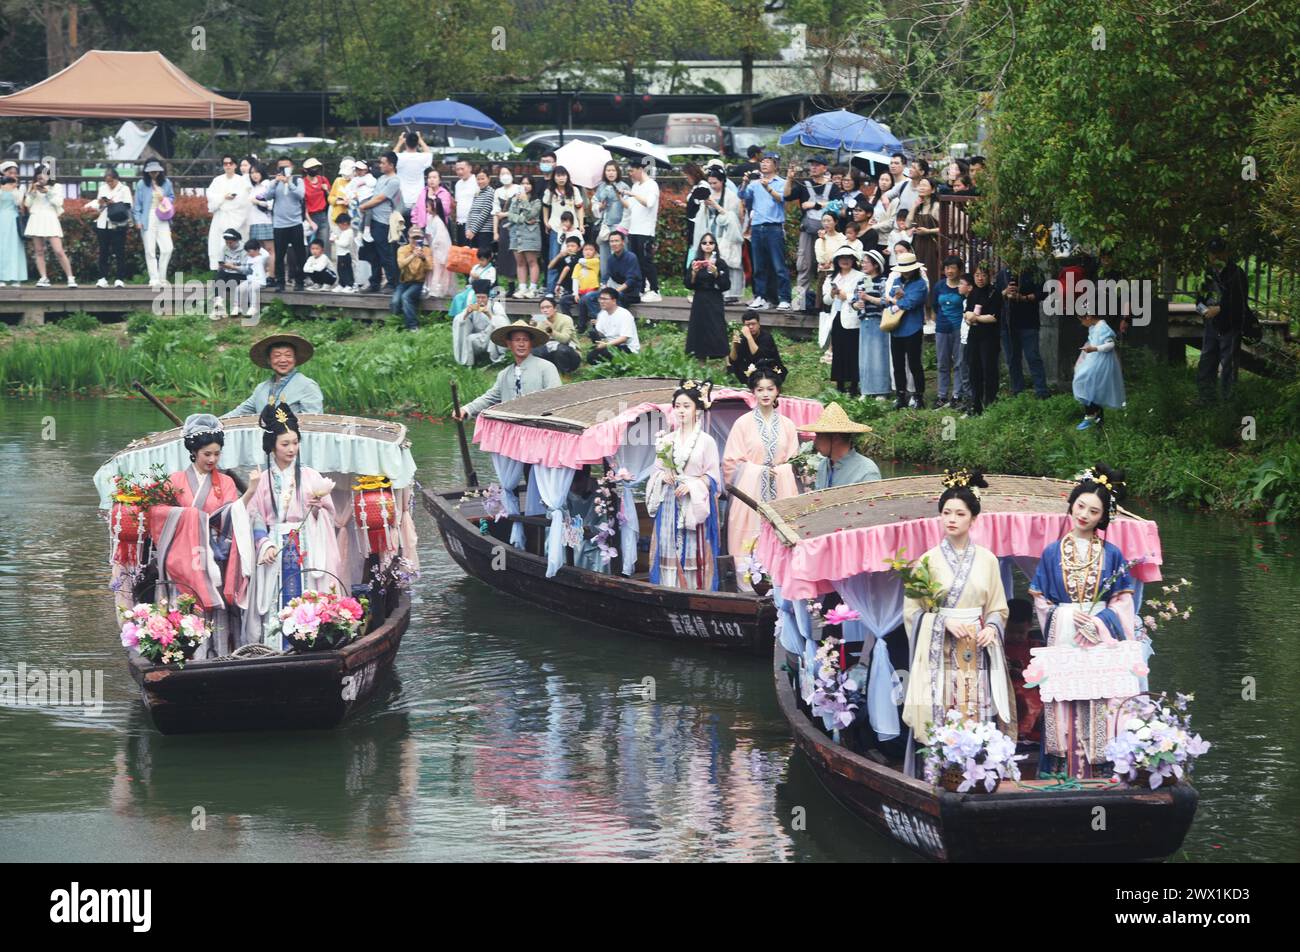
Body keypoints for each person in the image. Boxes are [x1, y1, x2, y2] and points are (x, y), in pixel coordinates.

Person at [900, 470, 1016, 766]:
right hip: (940, 650)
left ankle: (977, 770)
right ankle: (938, 770)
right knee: (940, 708)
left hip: (975, 647)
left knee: (973, 709)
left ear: (973, 519)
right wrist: (939, 622)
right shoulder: (926, 561)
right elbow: (913, 612)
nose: (951, 519)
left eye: (959, 513)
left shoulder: (988, 560)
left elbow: (998, 607)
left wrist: (992, 626)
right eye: (946, 512)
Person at [1029, 465, 1137, 779]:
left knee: (1100, 697)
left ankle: (1101, 769)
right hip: (1064, 635)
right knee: (1064, 697)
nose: (1084, 515)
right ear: (1071, 504)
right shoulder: (1052, 553)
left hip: (1100, 637)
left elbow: (1123, 601)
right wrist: (1062, 615)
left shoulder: (1113, 554)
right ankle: (1062, 770)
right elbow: (1041, 600)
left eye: (1094, 511)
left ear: (1102, 516)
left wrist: (1101, 621)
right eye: (1080, 506)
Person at [149, 414, 260, 657]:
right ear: (194, 452)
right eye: (206, 454)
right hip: (185, 557)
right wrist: (190, 517)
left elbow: (234, 514)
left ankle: (220, 654)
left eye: (216, 454)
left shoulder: (227, 482)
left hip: (216, 554)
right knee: (189, 604)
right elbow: (157, 513)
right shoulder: (174, 481)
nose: (212, 459)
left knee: (216, 606)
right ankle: (185, 654)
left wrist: (250, 492)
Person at [243, 403, 345, 648]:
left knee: (309, 590)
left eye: (295, 443)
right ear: (272, 446)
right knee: (275, 595)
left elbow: (332, 517)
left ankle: (313, 641)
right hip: (275, 544)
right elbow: (255, 517)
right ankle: (275, 646)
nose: (291, 449)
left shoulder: (311, 475)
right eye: (285, 444)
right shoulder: (263, 479)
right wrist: (264, 544)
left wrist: (318, 510)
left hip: (307, 542)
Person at [722, 362, 798, 581]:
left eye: (770, 389)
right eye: (760, 389)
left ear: (778, 391)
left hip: (782, 492)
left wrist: (782, 470)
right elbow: (730, 462)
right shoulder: (742, 423)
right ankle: (749, 583)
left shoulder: (788, 425)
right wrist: (756, 471)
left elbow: (794, 459)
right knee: (749, 537)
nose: (765, 394)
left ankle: (782, 582)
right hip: (749, 495)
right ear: (753, 392)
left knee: (782, 534)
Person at [645, 379, 723, 591]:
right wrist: (663, 476)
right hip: (670, 500)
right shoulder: (666, 439)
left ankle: (694, 590)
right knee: (668, 546)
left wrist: (694, 486)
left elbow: (714, 477)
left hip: (693, 501)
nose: (681, 411)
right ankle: (668, 588)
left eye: (686, 406)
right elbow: (657, 470)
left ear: (697, 410)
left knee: (693, 547)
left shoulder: (707, 441)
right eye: (677, 406)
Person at [454, 319, 562, 419]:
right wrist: (466, 409)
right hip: (511, 427)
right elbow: (489, 398)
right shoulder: (504, 374)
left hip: (539, 427)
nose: (521, 344)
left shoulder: (546, 367)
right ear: (509, 344)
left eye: (525, 340)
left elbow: (557, 398)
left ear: (531, 343)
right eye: (517, 340)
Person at [1195, 236, 1247, 403]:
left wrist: (1220, 309)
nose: (1216, 257)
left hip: (1230, 326)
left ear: (1226, 253)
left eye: (1219, 253)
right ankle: (1205, 399)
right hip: (1211, 325)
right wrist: (1204, 312)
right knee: (1206, 362)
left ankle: (1228, 403)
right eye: (1213, 254)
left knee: (1228, 367)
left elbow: (1240, 302)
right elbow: (1198, 300)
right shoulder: (1207, 274)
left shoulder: (1236, 273)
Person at [787, 154, 841, 313]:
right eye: (811, 165)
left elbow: (839, 205)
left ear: (825, 168)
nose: (813, 167)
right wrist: (790, 179)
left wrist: (814, 204)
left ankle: (826, 304)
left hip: (828, 234)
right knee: (803, 266)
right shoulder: (804, 184)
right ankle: (797, 304)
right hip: (807, 231)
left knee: (828, 267)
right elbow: (787, 196)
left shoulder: (833, 187)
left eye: (817, 165)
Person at [223, 333, 324, 417]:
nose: (283, 360)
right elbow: (239, 413)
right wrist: (212, 423)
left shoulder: (307, 386)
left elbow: (314, 423)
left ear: (295, 359)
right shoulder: (261, 388)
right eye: (277, 356)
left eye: (288, 355)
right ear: (269, 360)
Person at [739, 152, 791, 310]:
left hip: (774, 227)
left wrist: (767, 187)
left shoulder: (781, 182)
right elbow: (742, 196)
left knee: (778, 266)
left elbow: (781, 199)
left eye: (768, 161)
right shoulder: (754, 184)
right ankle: (760, 296)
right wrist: (745, 183)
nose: (764, 164)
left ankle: (784, 298)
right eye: (762, 161)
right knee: (758, 265)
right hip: (757, 227)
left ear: (776, 165)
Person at [995, 264, 1049, 399]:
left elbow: (1043, 293)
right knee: (1012, 359)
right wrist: (1005, 292)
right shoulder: (1002, 274)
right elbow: (994, 296)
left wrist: (1023, 297)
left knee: (1033, 357)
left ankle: (1041, 391)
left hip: (1028, 322)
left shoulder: (1033, 271)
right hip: (1007, 324)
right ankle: (1017, 391)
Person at [692, 168, 744, 303]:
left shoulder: (731, 196)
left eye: (715, 183)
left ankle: (731, 293)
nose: (713, 186)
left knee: (728, 262)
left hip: (727, 235)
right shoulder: (708, 194)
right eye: (710, 183)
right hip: (712, 233)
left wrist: (715, 205)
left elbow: (733, 217)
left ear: (722, 181)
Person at [801, 402, 880, 489]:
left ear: (836, 437)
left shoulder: (866, 471)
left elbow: (871, 502)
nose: (815, 442)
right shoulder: (823, 465)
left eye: (819, 436)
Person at [886, 252, 929, 409]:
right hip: (896, 328)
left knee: (914, 364)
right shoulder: (897, 281)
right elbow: (889, 299)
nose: (905, 272)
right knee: (897, 365)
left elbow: (913, 301)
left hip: (913, 328)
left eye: (908, 269)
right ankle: (901, 396)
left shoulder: (920, 284)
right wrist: (897, 299)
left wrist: (898, 301)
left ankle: (918, 396)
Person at [23, 164, 76, 287]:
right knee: (39, 251)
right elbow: (27, 204)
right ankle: (43, 277)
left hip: (50, 218)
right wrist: (32, 192)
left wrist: (47, 192)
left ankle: (70, 278)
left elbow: (59, 203)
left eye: (43, 177)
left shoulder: (57, 187)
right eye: (39, 177)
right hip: (36, 217)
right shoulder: (32, 186)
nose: (41, 180)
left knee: (58, 250)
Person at [823, 245, 866, 396]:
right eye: (842, 258)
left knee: (853, 351)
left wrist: (846, 296)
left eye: (848, 258)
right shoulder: (831, 277)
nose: (845, 261)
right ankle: (840, 383)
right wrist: (832, 293)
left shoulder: (860, 276)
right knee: (839, 350)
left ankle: (854, 384)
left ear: (853, 260)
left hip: (853, 317)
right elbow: (826, 301)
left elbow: (863, 295)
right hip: (836, 316)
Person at [358, 151, 403, 293]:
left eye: (383, 163)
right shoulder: (381, 178)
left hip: (383, 221)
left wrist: (364, 206)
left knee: (385, 253)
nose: (381, 165)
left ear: (391, 164)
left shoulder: (394, 181)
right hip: (372, 220)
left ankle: (392, 283)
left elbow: (380, 198)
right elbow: (374, 195)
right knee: (373, 253)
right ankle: (375, 282)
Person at [1072, 313, 1125, 429]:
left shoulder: (1102, 327)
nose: (1081, 323)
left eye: (1081, 320)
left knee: (1082, 382)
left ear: (1089, 317)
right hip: (1094, 360)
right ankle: (1098, 420)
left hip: (1102, 362)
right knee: (1093, 389)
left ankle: (1090, 414)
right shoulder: (1093, 327)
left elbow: (1110, 344)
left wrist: (1094, 349)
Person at [580, 228, 641, 329]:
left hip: (629, 292)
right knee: (588, 297)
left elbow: (631, 280)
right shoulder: (611, 259)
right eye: (611, 241)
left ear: (623, 242)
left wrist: (614, 292)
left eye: (616, 241)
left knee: (616, 296)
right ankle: (601, 321)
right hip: (614, 290)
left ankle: (614, 323)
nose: (614, 243)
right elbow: (606, 277)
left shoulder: (631, 257)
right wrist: (603, 286)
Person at [963, 263, 1002, 415]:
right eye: (977, 275)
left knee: (989, 370)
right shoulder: (973, 292)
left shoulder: (994, 292)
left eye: (983, 275)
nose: (980, 278)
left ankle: (990, 403)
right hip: (974, 336)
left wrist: (975, 317)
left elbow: (993, 317)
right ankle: (976, 404)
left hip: (989, 337)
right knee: (974, 370)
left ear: (989, 276)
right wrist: (969, 317)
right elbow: (966, 312)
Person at [684, 232, 731, 358]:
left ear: (715, 245)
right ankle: (700, 358)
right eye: (704, 243)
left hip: (715, 297)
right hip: (699, 297)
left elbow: (726, 285)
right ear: (700, 245)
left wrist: (716, 273)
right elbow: (688, 284)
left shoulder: (720, 263)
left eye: (711, 243)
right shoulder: (695, 262)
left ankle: (724, 357)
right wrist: (694, 273)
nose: (708, 245)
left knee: (717, 326)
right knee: (699, 327)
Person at [84, 166, 132, 288]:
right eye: (107, 181)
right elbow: (99, 206)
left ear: (116, 179)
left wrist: (114, 204)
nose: (109, 183)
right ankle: (102, 277)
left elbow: (128, 205)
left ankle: (120, 278)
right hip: (103, 223)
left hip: (118, 224)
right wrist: (101, 203)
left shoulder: (124, 189)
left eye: (111, 181)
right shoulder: (102, 188)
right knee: (103, 251)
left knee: (119, 251)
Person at [928, 255, 966, 408]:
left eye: (952, 268)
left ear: (959, 270)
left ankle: (957, 394)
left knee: (959, 362)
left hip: (959, 328)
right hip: (942, 328)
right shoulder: (939, 286)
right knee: (943, 363)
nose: (949, 271)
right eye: (946, 268)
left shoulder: (963, 287)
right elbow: (935, 307)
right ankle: (942, 396)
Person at [622, 157, 661, 301]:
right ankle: (641, 288)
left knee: (646, 261)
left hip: (646, 231)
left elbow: (649, 203)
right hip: (633, 230)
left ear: (640, 169)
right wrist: (620, 196)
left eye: (632, 171)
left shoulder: (652, 185)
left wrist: (633, 194)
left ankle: (655, 290)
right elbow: (630, 206)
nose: (630, 174)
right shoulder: (636, 186)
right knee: (635, 262)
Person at [411, 166, 454, 297]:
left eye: (434, 177)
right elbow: (416, 209)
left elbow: (446, 211)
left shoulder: (443, 193)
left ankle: (440, 287)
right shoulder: (423, 192)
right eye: (429, 177)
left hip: (438, 229)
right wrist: (415, 223)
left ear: (439, 180)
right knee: (426, 257)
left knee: (439, 259)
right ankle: (426, 285)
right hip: (424, 229)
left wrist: (435, 200)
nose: (431, 180)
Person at [206, 154, 252, 272]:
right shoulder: (217, 180)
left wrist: (227, 201)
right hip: (220, 217)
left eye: (230, 163)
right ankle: (220, 271)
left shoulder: (241, 181)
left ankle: (237, 271)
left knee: (236, 244)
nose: (227, 166)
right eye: (225, 164)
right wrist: (223, 197)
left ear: (235, 165)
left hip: (236, 218)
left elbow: (244, 200)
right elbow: (211, 196)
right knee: (218, 244)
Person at [857, 249, 892, 399]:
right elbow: (854, 299)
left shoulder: (883, 281)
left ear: (875, 265)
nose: (863, 265)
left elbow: (886, 301)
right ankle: (866, 389)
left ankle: (881, 390)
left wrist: (868, 298)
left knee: (879, 356)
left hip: (879, 321)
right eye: (862, 262)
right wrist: (856, 305)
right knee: (865, 357)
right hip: (864, 321)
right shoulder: (861, 281)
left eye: (866, 262)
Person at [542, 165, 583, 293]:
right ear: (554, 177)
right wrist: (545, 221)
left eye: (563, 175)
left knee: (574, 259)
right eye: (558, 175)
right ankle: (550, 290)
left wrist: (581, 224)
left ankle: (571, 289)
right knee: (555, 258)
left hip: (573, 229)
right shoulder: (550, 191)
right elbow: (545, 206)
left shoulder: (574, 190)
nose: (561, 178)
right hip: (556, 228)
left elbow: (579, 207)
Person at [268, 158, 307, 292]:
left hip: (295, 223)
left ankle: (300, 281)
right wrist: (274, 182)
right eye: (281, 167)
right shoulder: (275, 182)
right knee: (279, 255)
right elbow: (267, 196)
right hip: (279, 224)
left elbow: (300, 195)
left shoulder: (298, 181)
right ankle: (280, 282)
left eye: (286, 166)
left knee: (299, 254)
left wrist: (288, 182)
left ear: (292, 167)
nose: (283, 169)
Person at [452, 279, 509, 366]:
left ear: (487, 297)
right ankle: (469, 363)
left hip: (491, 337)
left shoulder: (495, 305)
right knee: (468, 338)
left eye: (483, 297)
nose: (481, 300)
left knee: (494, 326)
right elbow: (459, 321)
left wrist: (489, 315)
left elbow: (503, 323)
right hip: (478, 336)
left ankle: (498, 360)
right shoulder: (473, 306)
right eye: (478, 297)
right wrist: (467, 314)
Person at [507, 175, 543, 298]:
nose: (525, 186)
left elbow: (532, 214)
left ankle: (532, 288)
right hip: (516, 233)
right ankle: (522, 288)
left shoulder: (536, 201)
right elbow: (510, 215)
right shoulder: (514, 199)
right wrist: (523, 219)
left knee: (532, 261)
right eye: (523, 183)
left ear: (532, 186)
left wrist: (525, 201)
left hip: (531, 233)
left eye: (528, 183)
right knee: (520, 262)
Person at [392, 225, 432, 330]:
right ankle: (397, 322)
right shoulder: (402, 249)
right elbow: (401, 264)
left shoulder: (426, 250)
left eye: (418, 238)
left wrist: (423, 259)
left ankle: (413, 326)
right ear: (409, 238)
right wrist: (413, 255)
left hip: (419, 282)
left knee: (406, 297)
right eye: (414, 238)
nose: (416, 240)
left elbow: (430, 267)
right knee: (395, 302)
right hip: (404, 281)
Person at [591, 160, 627, 275]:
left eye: (613, 170)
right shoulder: (601, 186)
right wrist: (599, 207)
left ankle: (619, 280)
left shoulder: (624, 186)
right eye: (608, 170)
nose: (610, 173)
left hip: (619, 226)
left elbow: (629, 206)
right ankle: (605, 281)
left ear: (617, 172)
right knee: (604, 255)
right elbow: (594, 203)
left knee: (619, 255)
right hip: (605, 225)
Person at [586, 288, 640, 363]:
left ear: (614, 300)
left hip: (627, 347)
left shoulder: (624, 314)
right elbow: (601, 333)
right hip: (611, 345)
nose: (601, 301)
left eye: (605, 299)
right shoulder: (602, 314)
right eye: (600, 299)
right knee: (591, 357)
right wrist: (594, 332)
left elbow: (624, 338)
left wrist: (606, 345)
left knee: (602, 355)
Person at [530, 295, 582, 373]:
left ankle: (565, 373)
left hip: (570, 353)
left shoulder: (566, 319)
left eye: (548, 307)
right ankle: (543, 372)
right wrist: (532, 327)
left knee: (561, 349)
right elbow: (537, 341)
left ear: (555, 309)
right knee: (534, 350)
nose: (545, 310)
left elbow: (565, 340)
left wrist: (550, 330)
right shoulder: (541, 320)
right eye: (542, 308)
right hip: (551, 352)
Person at [727, 312, 782, 384]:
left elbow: (759, 356)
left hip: (770, 367)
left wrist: (749, 337)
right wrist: (735, 345)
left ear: (759, 324)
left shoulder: (766, 337)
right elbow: (733, 360)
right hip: (752, 368)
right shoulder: (743, 338)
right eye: (748, 325)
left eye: (753, 324)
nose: (751, 327)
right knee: (735, 366)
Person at [491, 164, 521, 293]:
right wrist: (495, 232)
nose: (505, 176)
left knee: (518, 255)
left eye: (507, 173)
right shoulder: (498, 192)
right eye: (502, 174)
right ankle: (511, 285)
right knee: (506, 255)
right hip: (503, 227)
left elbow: (522, 209)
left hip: (518, 226)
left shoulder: (519, 189)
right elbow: (495, 213)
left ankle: (522, 284)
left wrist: (506, 214)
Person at [245, 162, 276, 280]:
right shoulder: (254, 187)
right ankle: (263, 275)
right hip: (254, 222)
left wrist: (256, 201)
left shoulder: (266, 184)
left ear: (262, 172)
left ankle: (272, 276)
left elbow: (270, 204)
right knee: (261, 251)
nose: (254, 175)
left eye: (257, 172)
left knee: (270, 250)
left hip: (265, 221)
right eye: (252, 173)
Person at [0, 164, 27, 286]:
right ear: (3, 173)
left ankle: (16, 277)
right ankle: (2, 278)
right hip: (1, 217)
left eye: (15, 173)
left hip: (14, 219)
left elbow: (20, 204)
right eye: (10, 173)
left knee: (15, 247)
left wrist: (15, 188)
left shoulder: (20, 187)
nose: (13, 175)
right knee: (2, 247)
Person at [393, 130, 433, 211]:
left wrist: (400, 142)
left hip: (402, 198)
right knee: (417, 223)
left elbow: (390, 157)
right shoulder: (422, 157)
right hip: (418, 199)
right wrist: (421, 140)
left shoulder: (400, 157)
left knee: (400, 223)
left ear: (405, 143)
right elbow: (429, 153)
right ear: (417, 143)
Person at [463, 166, 497, 255]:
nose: (480, 181)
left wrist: (473, 230)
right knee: (474, 258)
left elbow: (484, 213)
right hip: (473, 232)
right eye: (478, 179)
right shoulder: (477, 192)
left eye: (483, 179)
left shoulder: (490, 193)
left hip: (484, 232)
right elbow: (471, 211)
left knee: (483, 257)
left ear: (489, 179)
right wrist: (468, 229)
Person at [301, 157, 331, 255]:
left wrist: (326, 190)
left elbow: (331, 197)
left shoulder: (323, 180)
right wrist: (310, 221)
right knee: (311, 246)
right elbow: (303, 205)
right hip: (310, 217)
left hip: (323, 216)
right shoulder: (302, 183)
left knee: (324, 245)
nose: (315, 170)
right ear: (306, 170)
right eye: (312, 167)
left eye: (316, 167)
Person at [235, 239, 267, 319]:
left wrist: (258, 247)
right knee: (238, 289)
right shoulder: (248, 258)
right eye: (247, 251)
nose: (248, 253)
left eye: (250, 251)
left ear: (257, 249)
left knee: (251, 288)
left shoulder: (261, 258)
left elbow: (267, 254)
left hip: (259, 282)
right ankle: (238, 307)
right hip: (249, 280)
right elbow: (245, 269)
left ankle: (254, 307)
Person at [451, 158, 477, 247]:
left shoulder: (476, 182)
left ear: (470, 168)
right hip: (460, 222)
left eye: (462, 169)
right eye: (457, 169)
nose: (460, 172)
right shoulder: (458, 184)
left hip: (472, 223)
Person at [331, 213, 358, 293]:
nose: (339, 227)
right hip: (340, 255)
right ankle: (342, 284)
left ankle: (349, 285)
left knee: (346, 271)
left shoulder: (349, 232)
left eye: (339, 225)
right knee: (340, 270)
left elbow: (345, 244)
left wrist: (335, 240)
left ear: (345, 224)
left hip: (345, 255)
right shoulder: (344, 232)